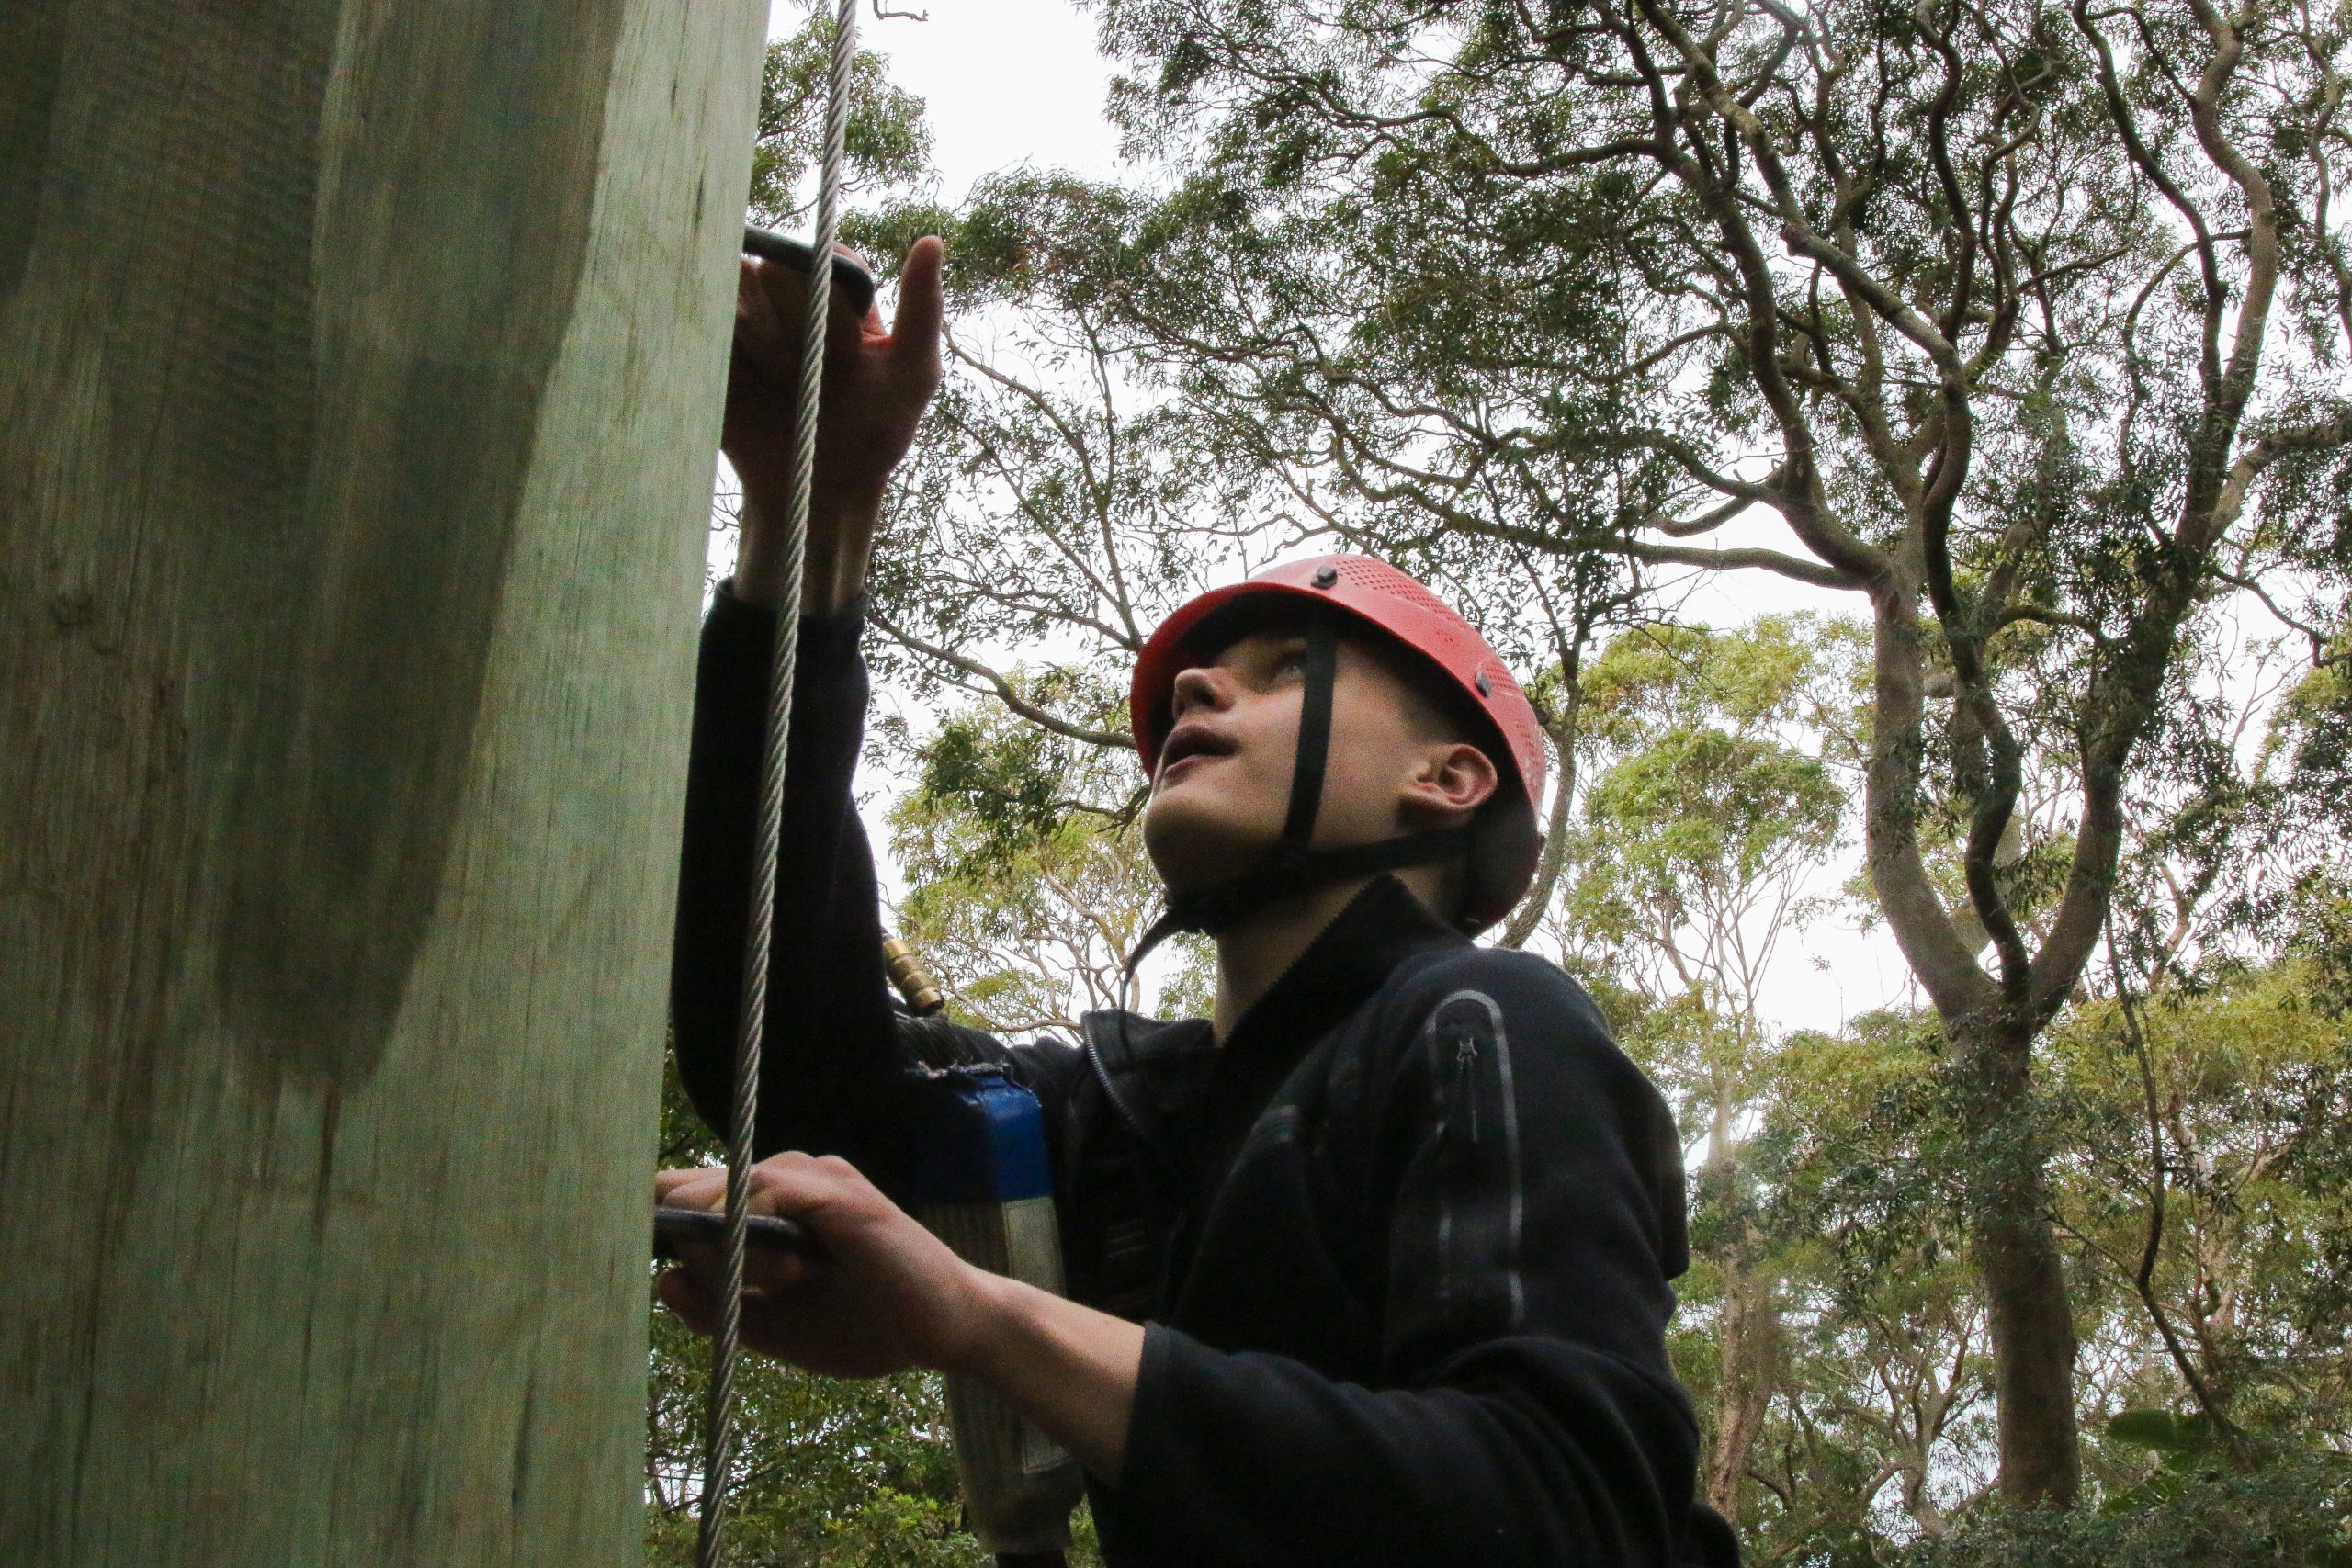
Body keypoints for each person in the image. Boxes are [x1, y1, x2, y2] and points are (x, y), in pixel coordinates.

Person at [654, 235, 1743, 1568]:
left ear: (1449, 778)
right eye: (1194, 683)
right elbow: (783, 1061)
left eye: (1286, 668)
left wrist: (983, 1320)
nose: (1195, 690)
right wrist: (808, 522)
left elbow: (1562, 1506)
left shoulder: (1483, 1020)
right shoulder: (1118, 1122)